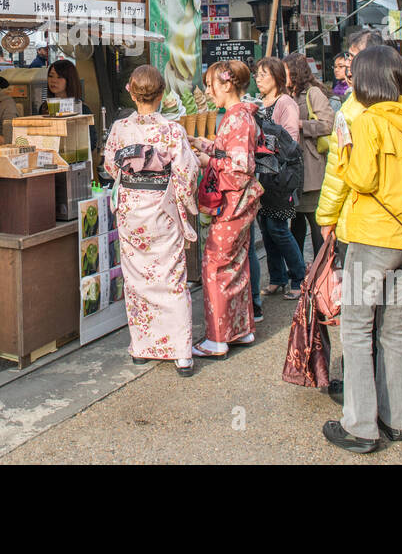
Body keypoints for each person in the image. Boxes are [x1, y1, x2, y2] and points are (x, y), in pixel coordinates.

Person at [321, 46, 402, 453]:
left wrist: (344, 147)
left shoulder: (367, 121)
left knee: (357, 331)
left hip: (371, 241)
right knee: (396, 330)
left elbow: (361, 179)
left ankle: (360, 426)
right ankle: (398, 419)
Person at [103, 65, 200, 376]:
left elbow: (110, 166)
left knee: (138, 279)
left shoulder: (120, 129)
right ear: (161, 95)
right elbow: (186, 174)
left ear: (131, 92)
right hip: (162, 210)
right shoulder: (172, 131)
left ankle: (143, 347)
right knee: (171, 278)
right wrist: (186, 206)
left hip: (132, 212)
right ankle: (181, 352)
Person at [191, 60, 262, 358]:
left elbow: (239, 168)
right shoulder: (236, 116)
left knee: (216, 265)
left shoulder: (238, 119)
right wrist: (203, 144)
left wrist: (209, 161)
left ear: (227, 84)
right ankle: (240, 329)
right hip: (239, 202)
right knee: (235, 264)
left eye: (211, 84)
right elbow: (229, 153)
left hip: (234, 201)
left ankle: (218, 338)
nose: (208, 91)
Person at [253, 57, 307, 300]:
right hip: (264, 172)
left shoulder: (286, 103)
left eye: (263, 75)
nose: (258, 79)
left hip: (282, 173)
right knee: (266, 227)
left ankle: (299, 277)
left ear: (276, 77)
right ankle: (277, 278)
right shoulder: (259, 104)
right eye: (257, 75)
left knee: (278, 228)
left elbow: (291, 141)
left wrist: (264, 137)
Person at [285, 52, 334, 261]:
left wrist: (303, 125)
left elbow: (328, 123)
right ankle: (299, 272)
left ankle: (321, 269)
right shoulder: (286, 95)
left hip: (312, 164)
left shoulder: (313, 93)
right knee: (295, 222)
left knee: (316, 222)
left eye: (285, 71)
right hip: (293, 167)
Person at [47, 58, 98, 152]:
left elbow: (91, 142)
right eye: (51, 76)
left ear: (69, 80)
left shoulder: (82, 109)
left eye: (59, 77)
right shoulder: (45, 108)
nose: (53, 80)